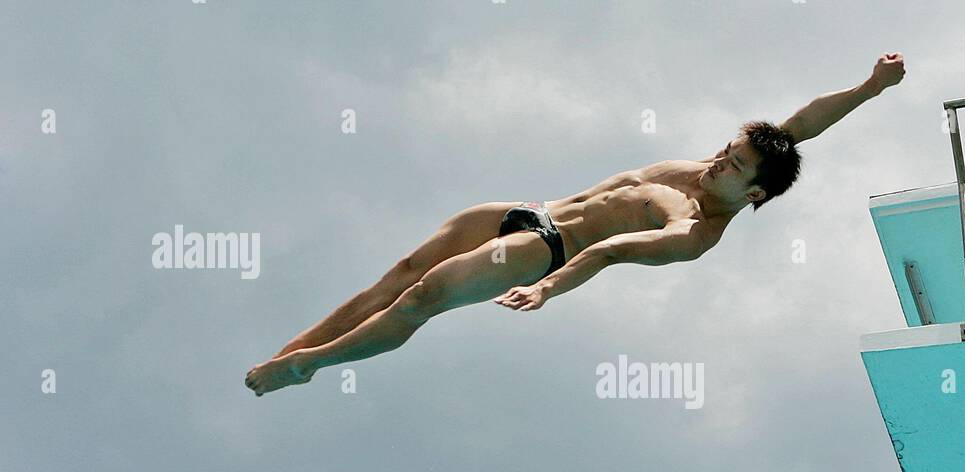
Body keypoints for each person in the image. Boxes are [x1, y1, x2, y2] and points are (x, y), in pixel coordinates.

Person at [245, 54, 906, 395]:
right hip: (527, 210)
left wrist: (547, 290)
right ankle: (282, 359)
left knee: (425, 297)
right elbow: (800, 126)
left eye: (732, 166)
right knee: (397, 276)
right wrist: (870, 87)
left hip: (549, 249)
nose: (715, 164)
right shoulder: (735, 160)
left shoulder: (696, 227)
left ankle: (316, 363)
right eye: (724, 150)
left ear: (754, 191)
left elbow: (611, 253)